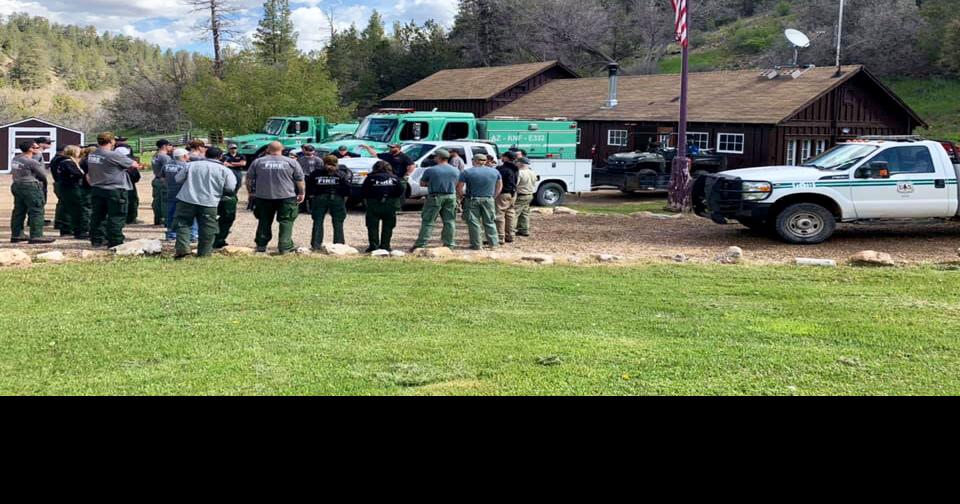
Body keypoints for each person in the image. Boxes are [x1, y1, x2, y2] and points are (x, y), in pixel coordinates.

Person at [172, 147, 237, 259]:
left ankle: (182, 250)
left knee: (182, 224)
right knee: (208, 228)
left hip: (187, 199)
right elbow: (230, 188)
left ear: (205, 154)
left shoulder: (191, 165)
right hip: (209, 202)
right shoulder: (225, 170)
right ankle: (204, 254)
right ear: (221, 157)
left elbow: (178, 179)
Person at [246, 141, 305, 254]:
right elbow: (300, 180)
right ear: (282, 149)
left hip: (263, 196)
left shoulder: (258, 162)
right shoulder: (291, 162)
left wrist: (250, 192)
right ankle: (285, 247)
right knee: (286, 221)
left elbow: (249, 179)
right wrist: (302, 193)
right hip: (286, 196)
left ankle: (261, 245)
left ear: (268, 149)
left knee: (264, 221)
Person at [86, 132, 142, 248]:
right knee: (116, 216)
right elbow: (134, 164)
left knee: (98, 216)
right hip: (115, 189)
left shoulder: (92, 155)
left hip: (97, 188)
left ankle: (97, 239)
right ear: (111, 142)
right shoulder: (113, 155)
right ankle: (115, 241)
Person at [411, 148, 459, 251]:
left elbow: (422, 183)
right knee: (449, 221)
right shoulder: (455, 170)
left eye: (435, 156)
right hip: (451, 196)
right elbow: (457, 183)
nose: (434, 158)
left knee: (428, 221)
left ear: (439, 157)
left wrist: (433, 184)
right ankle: (449, 244)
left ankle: (421, 244)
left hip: (435, 197)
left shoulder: (431, 170)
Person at [9, 140, 55, 244]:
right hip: (30, 187)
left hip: (17, 185)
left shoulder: (16, 158)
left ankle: (17, 234)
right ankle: (36, 236)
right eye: (36, 148)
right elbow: (43, 175)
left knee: (19, 211)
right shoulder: (31, 162)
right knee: (37, 210)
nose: (39, 149)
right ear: (30, 149)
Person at [457, 153, 502, 251]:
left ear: (475, 161)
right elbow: (499, 186)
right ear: (485, 161)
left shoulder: (466, 172)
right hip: (488, 199)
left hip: (472, 199)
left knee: (474, 223)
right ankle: (494, 244)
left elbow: (459, 187)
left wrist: (462, 197)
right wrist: (493, 196)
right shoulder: (495, 172)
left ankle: (477, 245)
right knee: (489, 222)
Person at [306, 155, 351, 250]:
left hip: (319, 198)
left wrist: (312, 198)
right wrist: (343, 201)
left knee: (318, 221)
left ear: (324, 162)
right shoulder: (341, 174)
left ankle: (316, 245)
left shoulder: (316, 173)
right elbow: (347, 189)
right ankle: (339, 244)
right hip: (337, 198)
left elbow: (309, 187)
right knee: (338, 222)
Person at [361, 160, 404, 253]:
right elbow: (400, 190)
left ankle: (373, 246)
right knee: (388, 226)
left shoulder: (370, 178)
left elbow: (363, 191)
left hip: (373, 204)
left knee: (372, 226)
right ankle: (385, 245)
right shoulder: (394, 178)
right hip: (389, 204)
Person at [360, 143, 414, 212]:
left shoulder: (403, 156)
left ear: (398, 148)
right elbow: (375, 154)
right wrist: (367, 147)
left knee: (400, 194)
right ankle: (388, 208)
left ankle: (398, 210)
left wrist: (407, 173)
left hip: (399, 178)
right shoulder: (388, 155)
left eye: (392, 147)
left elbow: (412, 165)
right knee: (388, 194)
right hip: (388, 177)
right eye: (390, 147)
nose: (391, 149)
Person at [214, 145, 246, 249]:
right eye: (232, 148)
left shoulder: (240, 155)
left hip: (237, 173)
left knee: (236, 187)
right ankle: (218, 239)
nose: (233, 149)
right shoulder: (225, 156)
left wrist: (231, 164)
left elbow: (243, 163)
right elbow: (225, 164)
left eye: (235, 148)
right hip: (224, 191)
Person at [164, 148, 199, 242]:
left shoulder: (167, 165)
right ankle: (193, 235)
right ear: (184, 156)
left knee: (171, 214)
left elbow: (161, 177)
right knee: (190, 214)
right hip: (184, 194)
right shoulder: (186, 166)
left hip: (171, 192)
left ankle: (171, 235)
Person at [58, 145, 90, 239]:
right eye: (78, 152)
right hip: (71, 188)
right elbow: (78, 174)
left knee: (69, 209)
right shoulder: (68, 163)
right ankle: (80, 231)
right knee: (78, 210)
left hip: (66, 187)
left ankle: (73, 229)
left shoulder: (65, 162)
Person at [496, 151, 520, 244]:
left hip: (503, 193)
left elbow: (498, 181)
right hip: (513, 193)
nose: (502, 158)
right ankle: (510, 235)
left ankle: (500, 237)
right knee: (510, 214)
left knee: (500, 214)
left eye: (503, 156)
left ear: (506, 158)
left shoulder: (502, 169)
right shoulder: (516, 169)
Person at [151, 140, 174, 226]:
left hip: (156, 179)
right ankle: (165, 219)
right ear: (164, 146)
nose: (171, 147)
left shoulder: (155, 155)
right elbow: (168, 169)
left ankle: (157, 219)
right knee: (164, 201)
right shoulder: (165, 157)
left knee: (156, 201)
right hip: (163, 180)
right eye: (170, 145)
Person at [514, 157, 537, 238]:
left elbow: (516, 184)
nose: (515, 163)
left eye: (517, 162)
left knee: (514, 213)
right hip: (530, 194)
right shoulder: (532, 172)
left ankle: (511, 231)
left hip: (521, 195)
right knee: (525, 213)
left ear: (520, 163)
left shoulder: (519, 173)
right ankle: (524, 229)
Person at [297, 145, 324, 214]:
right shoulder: (300, 159)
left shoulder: (318, 160)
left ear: (314, 151)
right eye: (308, 150)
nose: (309, 152)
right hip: (304, 178)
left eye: (311, 150)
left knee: (312, 194)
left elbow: (321, 169)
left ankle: (312, 209)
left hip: (314, 178)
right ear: (304, 150)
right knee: (302, 193)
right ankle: (302, 208)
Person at [33, 137, 53, 226]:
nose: (50, 144)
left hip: (39, 180)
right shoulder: (37, 154)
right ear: (40, 144)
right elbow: (34, 167)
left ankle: (38, 219)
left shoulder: (38, 153)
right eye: (48, 143)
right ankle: (36, 220)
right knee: (39, 201)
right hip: (38, 180)